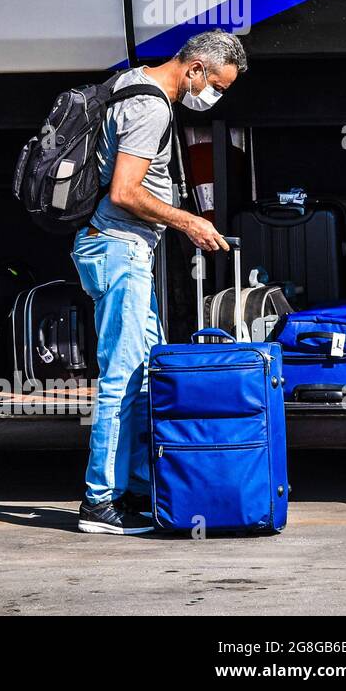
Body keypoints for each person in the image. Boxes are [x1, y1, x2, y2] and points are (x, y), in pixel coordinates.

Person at [74, 29, 248, 534]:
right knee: (121, 379)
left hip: (124, 250)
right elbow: (126, 191)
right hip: (118, 248)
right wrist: (188, 221)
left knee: (142, 376)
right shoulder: (151, 107)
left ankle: (130, 492)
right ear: (195, 68)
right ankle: (98, 502)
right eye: (215, 84)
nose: (213, 95)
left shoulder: (134, 85)